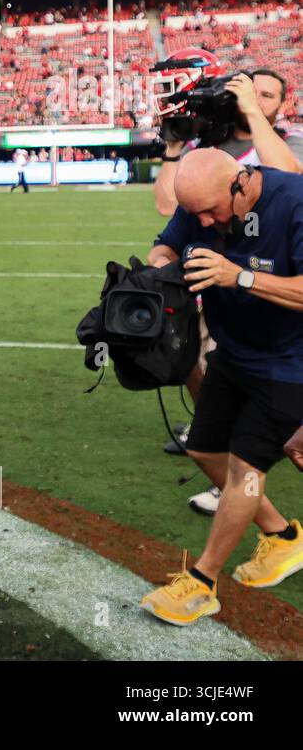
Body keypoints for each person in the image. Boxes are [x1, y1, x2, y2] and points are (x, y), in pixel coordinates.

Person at [141, 148, 303, 625]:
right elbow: (166, 246)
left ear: (242, 181)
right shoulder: (199, 208)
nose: (206, 223)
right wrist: (164, 271)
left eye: (213, 210)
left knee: (245, 471)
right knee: (205, 451)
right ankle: (284, 538)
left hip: (289, 367)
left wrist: (241, 277)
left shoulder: (294, 200)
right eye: (196, 215)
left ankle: (202, 581)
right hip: (231, 356)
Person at [152, 52, 303, 513]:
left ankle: (244, 486)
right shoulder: (208, 143)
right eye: (247, 90)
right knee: (197, 361)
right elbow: (166, 206)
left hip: (270, 299)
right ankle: (219, 447)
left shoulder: (282, 142)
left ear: (279, 105)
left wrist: (255, 114)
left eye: (265, 94)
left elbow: (290, 177)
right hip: (212, 284)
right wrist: (175, 147)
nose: (251, 98)